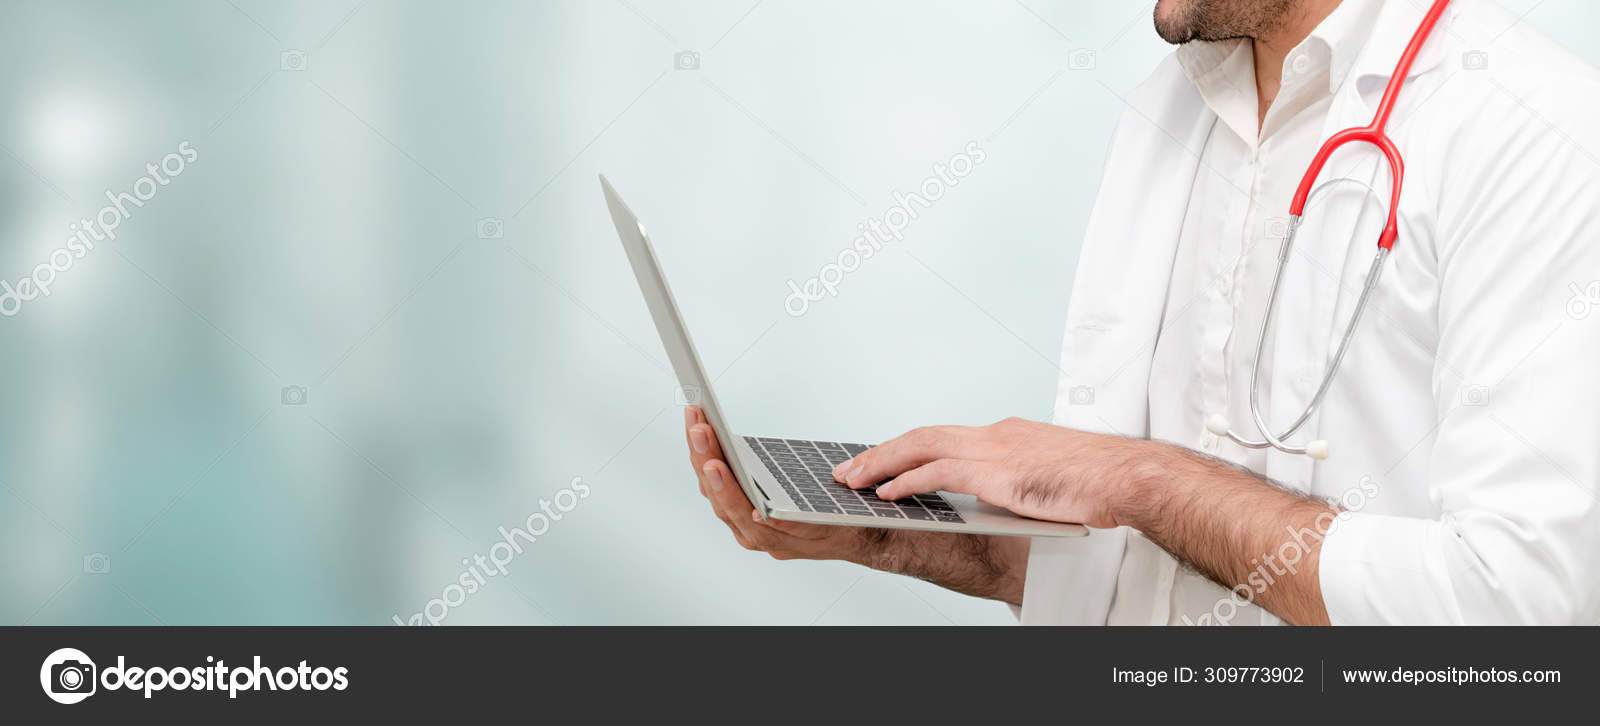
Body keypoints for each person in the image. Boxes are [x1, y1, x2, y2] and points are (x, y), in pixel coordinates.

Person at [684, 0, 1600, 625]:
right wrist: (887, 538)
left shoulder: (1535, 127)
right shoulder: (1174, 108)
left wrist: (1139, 477)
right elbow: (1140, 577)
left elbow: (1517, 608)